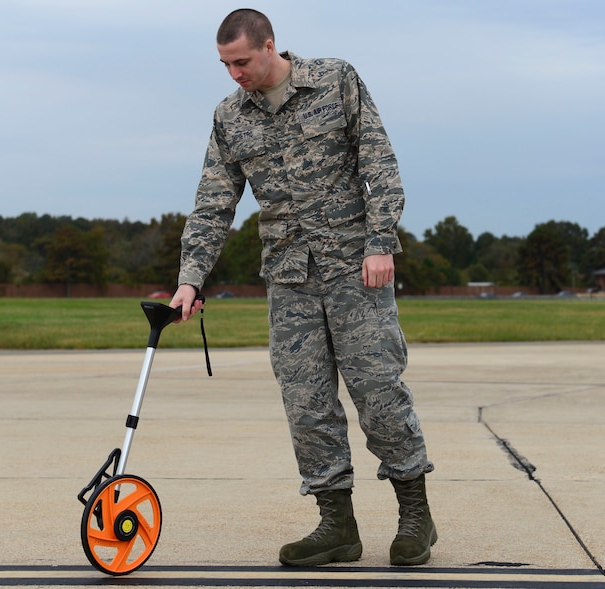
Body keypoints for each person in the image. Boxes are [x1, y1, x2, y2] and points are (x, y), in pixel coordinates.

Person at [170, 9, 436, 567]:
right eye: (225, 65)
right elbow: (214, 201)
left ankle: (415, 514)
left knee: (379, 394)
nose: (234, 74)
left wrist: (380, 239)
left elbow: (379, 159)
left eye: (241, 61)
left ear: (270, 46)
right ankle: (336, 525)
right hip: (289, 278)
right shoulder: (229, 117)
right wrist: (191, 279)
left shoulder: (335, 79)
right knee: (307, 405)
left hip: (354, 269)